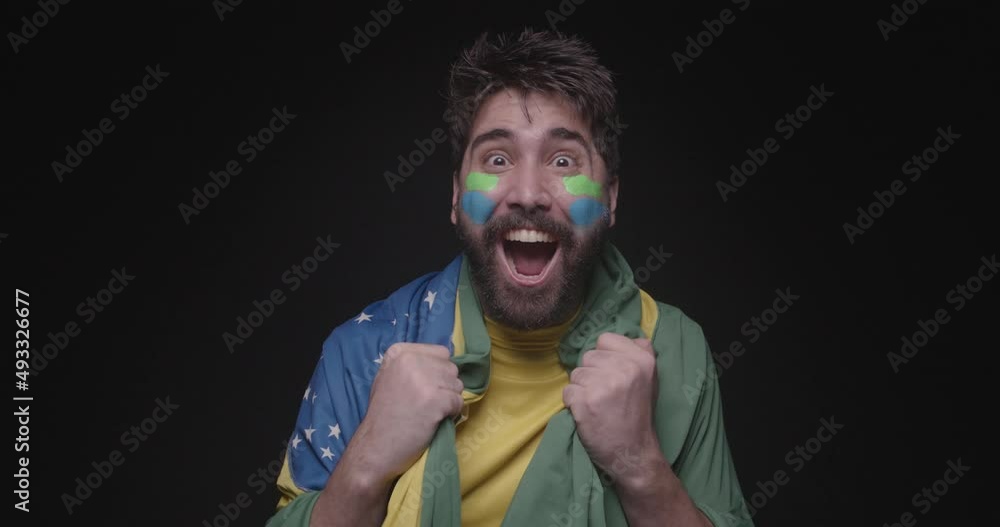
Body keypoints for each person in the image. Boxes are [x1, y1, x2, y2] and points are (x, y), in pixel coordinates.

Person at [267, 28, 753, 527]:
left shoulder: (672, 346)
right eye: (497, 159)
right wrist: (367, 464)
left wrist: (641, 467)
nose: (527, 192)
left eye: (563, 160)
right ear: (456, 196)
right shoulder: (362, 350)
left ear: (610, 198)